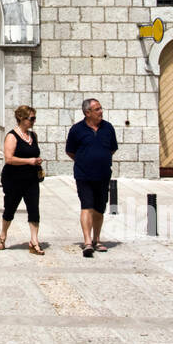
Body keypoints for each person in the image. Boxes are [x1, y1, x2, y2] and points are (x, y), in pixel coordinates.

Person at [66, 98, 118, 257]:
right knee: (86, 206)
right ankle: (87, 241)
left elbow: (112, 149)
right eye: (97, 109)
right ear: (87, 113)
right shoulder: (76, 130)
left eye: (101, 108)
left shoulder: (108, 128)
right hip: (84, 175)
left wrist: (100, 159)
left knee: (99, 208)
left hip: (103, 175)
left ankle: (97, 239)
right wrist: (84, 161)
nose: (101, 112)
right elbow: (70, 151)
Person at [0, 105, 44, 255]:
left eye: (34, 118)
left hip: (31, 179)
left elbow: (34, 153)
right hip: (13, 179)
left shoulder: (33, 136)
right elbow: (9, 159)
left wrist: (36, 162)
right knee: (10, 208)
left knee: (34, 209)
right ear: (22, 119)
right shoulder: (12, 136)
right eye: (32, 118)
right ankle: (3, 235)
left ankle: (34, 241)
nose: (34, 121)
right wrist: (29, 161)